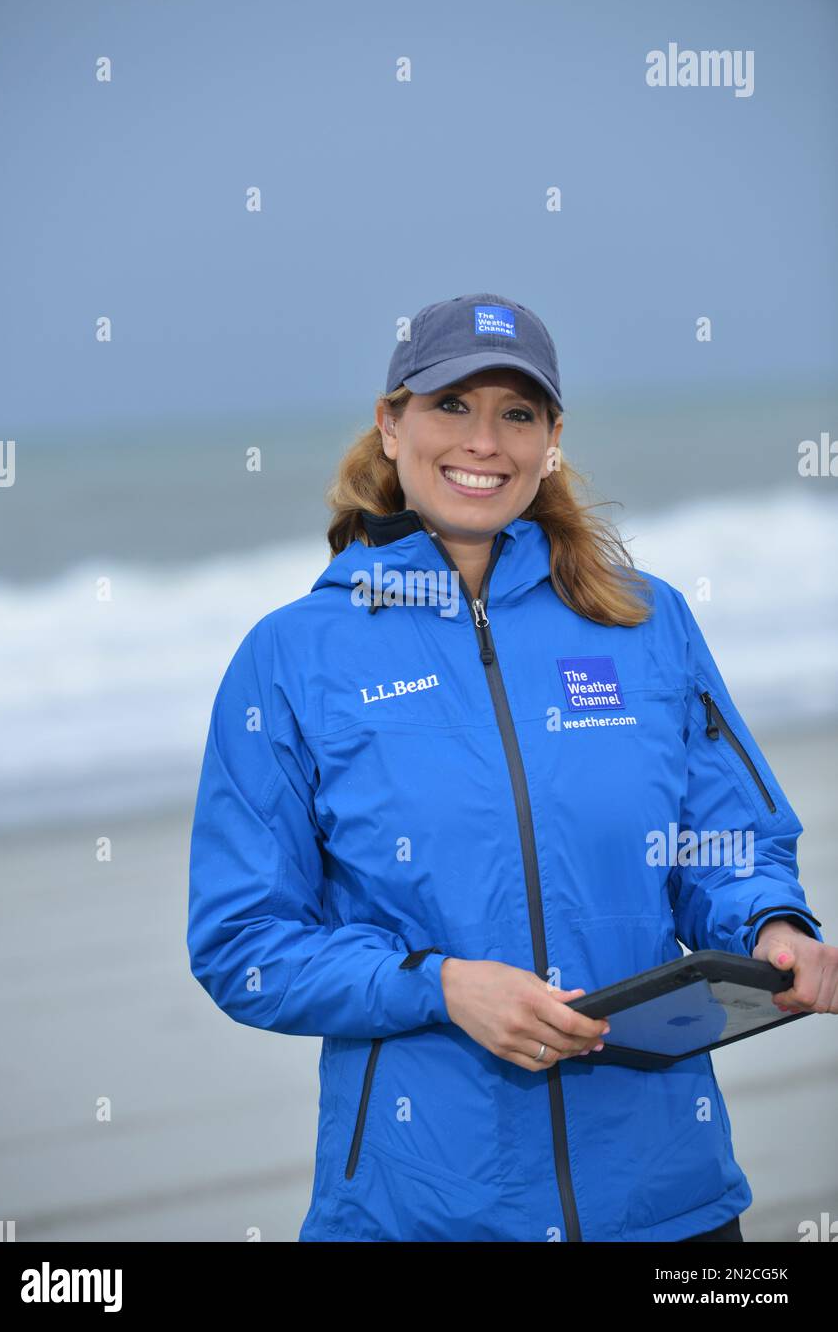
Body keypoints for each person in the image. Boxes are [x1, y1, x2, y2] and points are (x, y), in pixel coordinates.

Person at [186, 291, 836, 1242]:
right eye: (452, 405)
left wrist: (770, 923)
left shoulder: (643, 621)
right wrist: (441, 986)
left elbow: (721, 841)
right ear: (390, 420)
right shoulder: (293, 657)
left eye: (516, 413)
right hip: (424, 1213)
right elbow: (241, 944)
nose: (483, 441)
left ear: (552, 437)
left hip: (668, 1205)